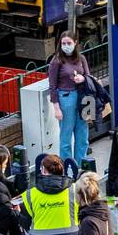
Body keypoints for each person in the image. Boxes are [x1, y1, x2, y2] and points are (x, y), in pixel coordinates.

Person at [48, 32, 91, 167]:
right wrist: (56, 108)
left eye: (69, 43)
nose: (66, 46)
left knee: (82, 135)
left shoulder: (81, 58)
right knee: (66, 137)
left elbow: (88, 76)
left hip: (82, 97)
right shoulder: (56, 61)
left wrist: (82, 78)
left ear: (75, 43)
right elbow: (52, 86)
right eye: (63, 43)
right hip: (65, 98)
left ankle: (80, 166)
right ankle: (68, 167)